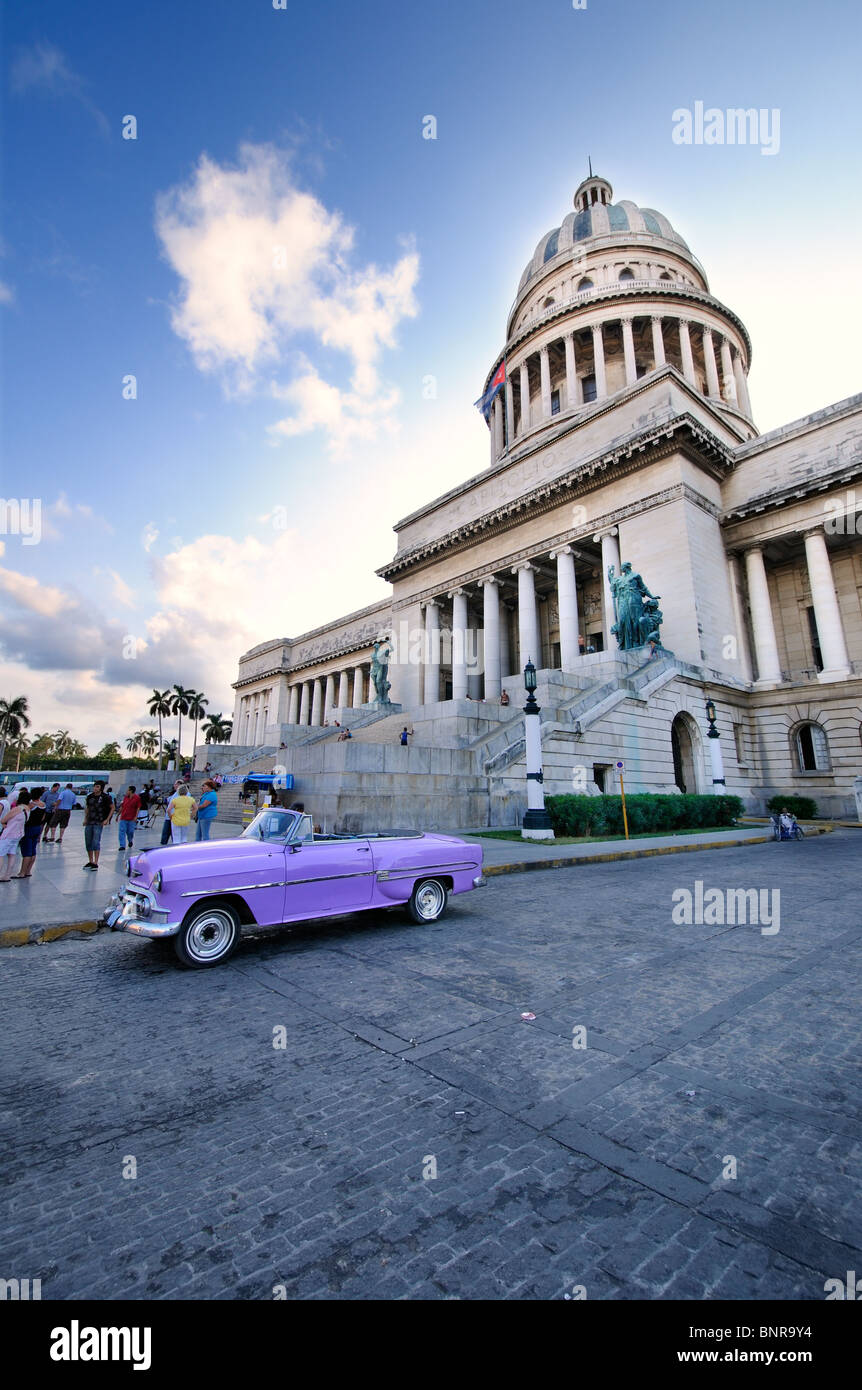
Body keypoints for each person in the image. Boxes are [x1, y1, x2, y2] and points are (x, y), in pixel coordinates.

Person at [16, 787, 47, 878]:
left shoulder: (30, 805)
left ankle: (22, 872)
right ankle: (28, 871)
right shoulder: (43, 804)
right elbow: (43, 817)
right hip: (37, 828)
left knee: (26, 851)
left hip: (28, 828)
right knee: (33, 850)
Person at [83, 781, 113, 870]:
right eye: (95, 786)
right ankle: (90, 861)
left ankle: (96, 862)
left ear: (101, 788)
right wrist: (85, 819)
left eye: (97, 787)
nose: (95, 788)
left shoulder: (105, 797)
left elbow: (112, 807)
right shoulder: (90, 797)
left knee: (96, 842)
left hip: (98, 822)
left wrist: (107, 819)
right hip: (89, 822)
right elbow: (87, 808)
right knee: (88, 841)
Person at [0, 790, 29, 882]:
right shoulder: (27, 809)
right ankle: (7, 875)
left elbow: (3, 819)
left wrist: (4, 823)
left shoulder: (17, 809)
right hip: (18, 834)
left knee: (0, 855)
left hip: (8, 834)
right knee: (11, 855)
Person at [117, 785, 141, 852]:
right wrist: (118, 815)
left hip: (131, 818)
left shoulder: (137, 798)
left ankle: (130, 840)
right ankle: (122, 845)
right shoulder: (125, 797)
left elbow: (138, 807)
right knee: (122, 831)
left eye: (127, 790)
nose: (126, 791)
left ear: (131, 791)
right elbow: (122, 807)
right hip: (123, 817)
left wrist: (136, 816)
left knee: (130, 831)